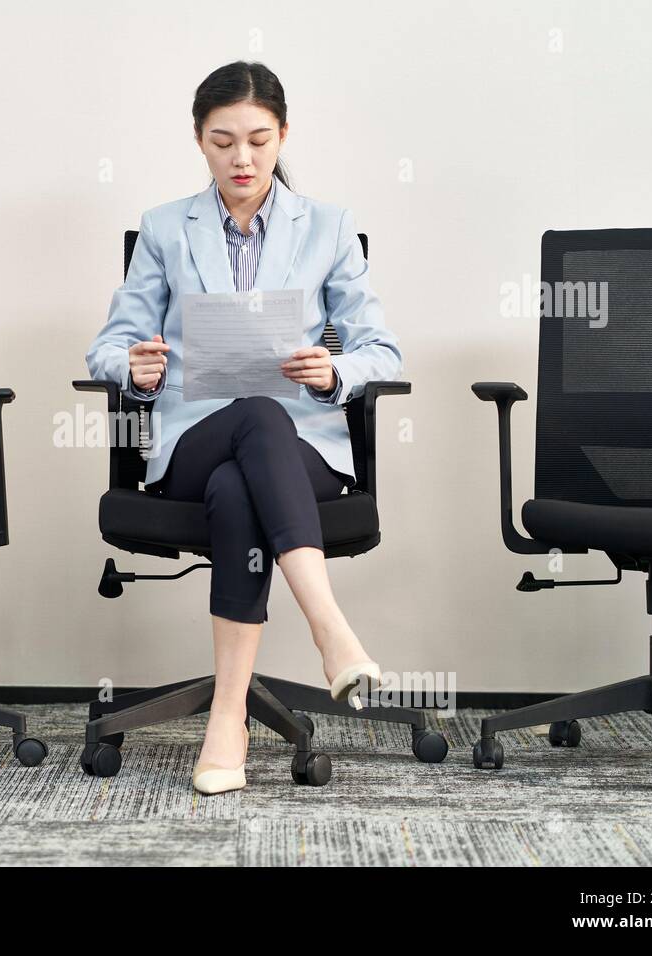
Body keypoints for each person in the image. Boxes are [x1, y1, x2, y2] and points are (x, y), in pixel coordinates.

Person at [84, 61, 402, 795]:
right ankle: (331, 631)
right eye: (223, 141)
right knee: (248, 426)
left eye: (259, 140)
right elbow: (107, 345)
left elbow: (382, 350)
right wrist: (134, 366)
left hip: (303, 447)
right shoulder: (167, 228)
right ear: (200, 141)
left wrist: (336, 373)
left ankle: (226, 717)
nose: (243, 158)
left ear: (282, 135)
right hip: (192, 438)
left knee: (241, 482)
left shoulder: (327, 226)